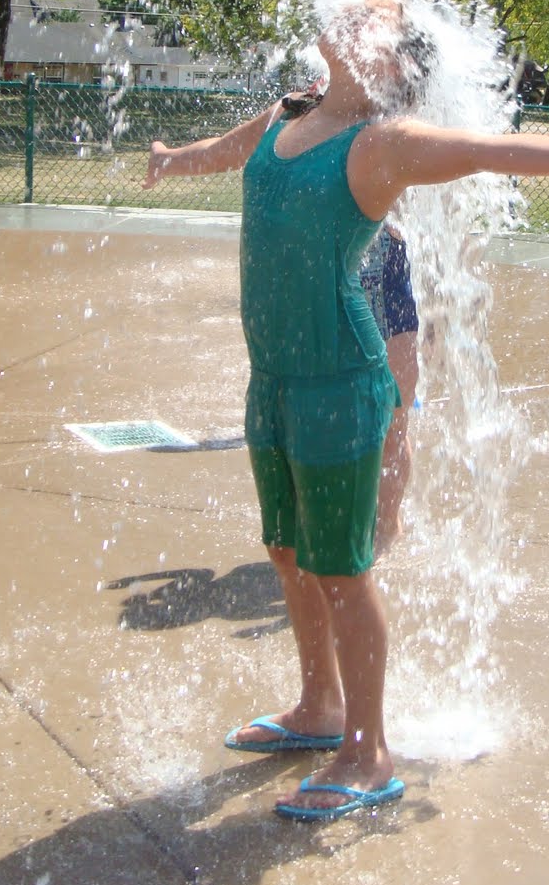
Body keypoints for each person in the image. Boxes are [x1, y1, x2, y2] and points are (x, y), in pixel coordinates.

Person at [146, 0, 549, 820]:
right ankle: (317, 707)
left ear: (397, 66)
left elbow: (488, 150)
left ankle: (367, 750)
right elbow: (222, 154)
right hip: (274, 381)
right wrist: (170, 156)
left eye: (375, 17)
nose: (349, 10)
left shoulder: (384, 145)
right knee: (288, 552)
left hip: (339, 382)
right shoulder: (281, 121)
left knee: (340, 567)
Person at [145, 88, 419, 558]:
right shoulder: (299, 113)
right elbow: (226, 150)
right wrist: (167, 161)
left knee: (395, 416)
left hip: (387, 271)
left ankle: (386, 526)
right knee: (330, 414)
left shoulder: (397, 105)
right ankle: (324, 527)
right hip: (325, 286)